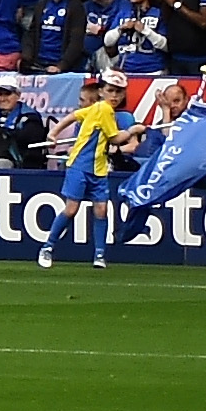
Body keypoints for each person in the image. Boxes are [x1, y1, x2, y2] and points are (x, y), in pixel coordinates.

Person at [47, 73, 125, 266]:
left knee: (101, 210)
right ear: (101, 92)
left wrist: (54, 131)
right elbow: (115, 139)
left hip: (98, 169)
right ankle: (47, 247)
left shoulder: (99, 109)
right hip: (80, 166)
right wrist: (134, 131)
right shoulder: (103, 109)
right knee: (71, 209)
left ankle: (99, 255)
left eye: (118, 92)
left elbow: (74, 116)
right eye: (110, 91)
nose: (114, 96)